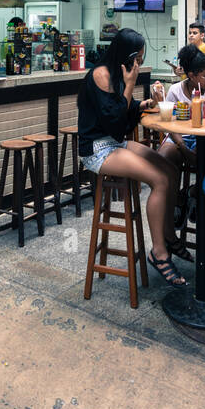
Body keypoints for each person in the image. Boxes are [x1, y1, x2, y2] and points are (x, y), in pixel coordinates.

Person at [77, 28, 186, 286]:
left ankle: (169, 236)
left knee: (170, 168)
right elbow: (115, 121)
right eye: (137, 58)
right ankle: (159, 254)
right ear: (125, 56)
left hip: (114, 142)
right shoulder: (101, 75)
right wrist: (129, 85)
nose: (138, 63)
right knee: (159, 179)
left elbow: (123, 111)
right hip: (97, 149)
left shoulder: (116, 73)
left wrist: (144, 104)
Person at [158, 44, 205, 177]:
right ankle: (173, 195)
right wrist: (183, 147)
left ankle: (198, 192)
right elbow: (170, 125)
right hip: (178, 136)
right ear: (192, 75)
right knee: (163, 159)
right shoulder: (175, 90)